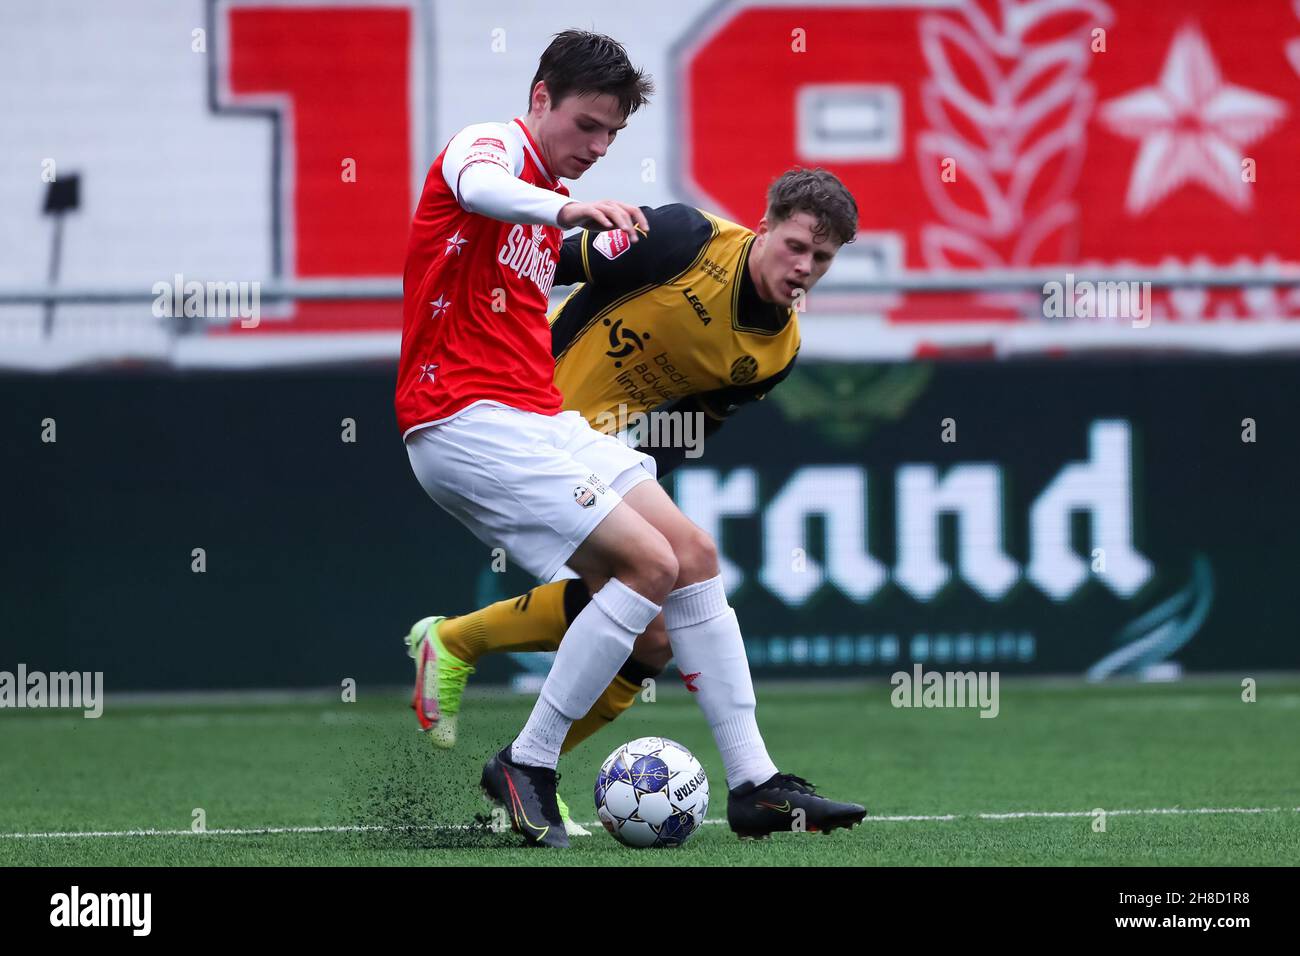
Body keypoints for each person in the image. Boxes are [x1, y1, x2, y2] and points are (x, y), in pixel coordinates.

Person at [400, 30, 864, 847]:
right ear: (540, 95)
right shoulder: (492, 149)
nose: (599, 148)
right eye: (587, 126)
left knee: (688, 559)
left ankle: (754, 784)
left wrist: (561, 214)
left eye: (612, 134)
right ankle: (529, 762)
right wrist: (566, 212)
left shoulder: (774, 346)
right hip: (463, 419)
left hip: (542, 417)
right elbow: (476, 184)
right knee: (646, 569)